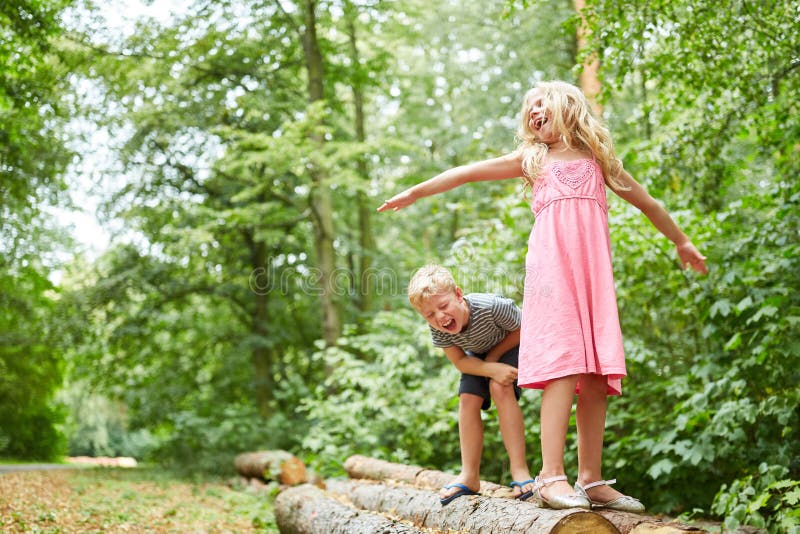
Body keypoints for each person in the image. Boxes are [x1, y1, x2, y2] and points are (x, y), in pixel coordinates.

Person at [379, 80, 708, 512]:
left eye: (541, 104)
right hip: (552, 276)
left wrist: (682, 242)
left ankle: (591, 480)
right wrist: (417, 191)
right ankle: (551, 476)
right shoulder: (533, 160)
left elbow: (649, 203)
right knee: (563, 367)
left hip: (593, 276)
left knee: (594, 373)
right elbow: (467, 172)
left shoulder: (598, 160)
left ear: (567, 106)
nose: (534, 112)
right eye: (529, 108)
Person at [407, 264, 536, 506]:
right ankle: (470, 476)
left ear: (458, 294)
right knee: (467, 398)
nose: (440, 317)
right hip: (476, 358)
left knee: (500, 388)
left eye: (443, 306)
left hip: (511, 346)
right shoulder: (439, 331)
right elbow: (460, 361)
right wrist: (488, 367)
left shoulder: (492, 307)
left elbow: (523, 330)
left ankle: (520, 472)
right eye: (430, 315)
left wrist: (494, 359)